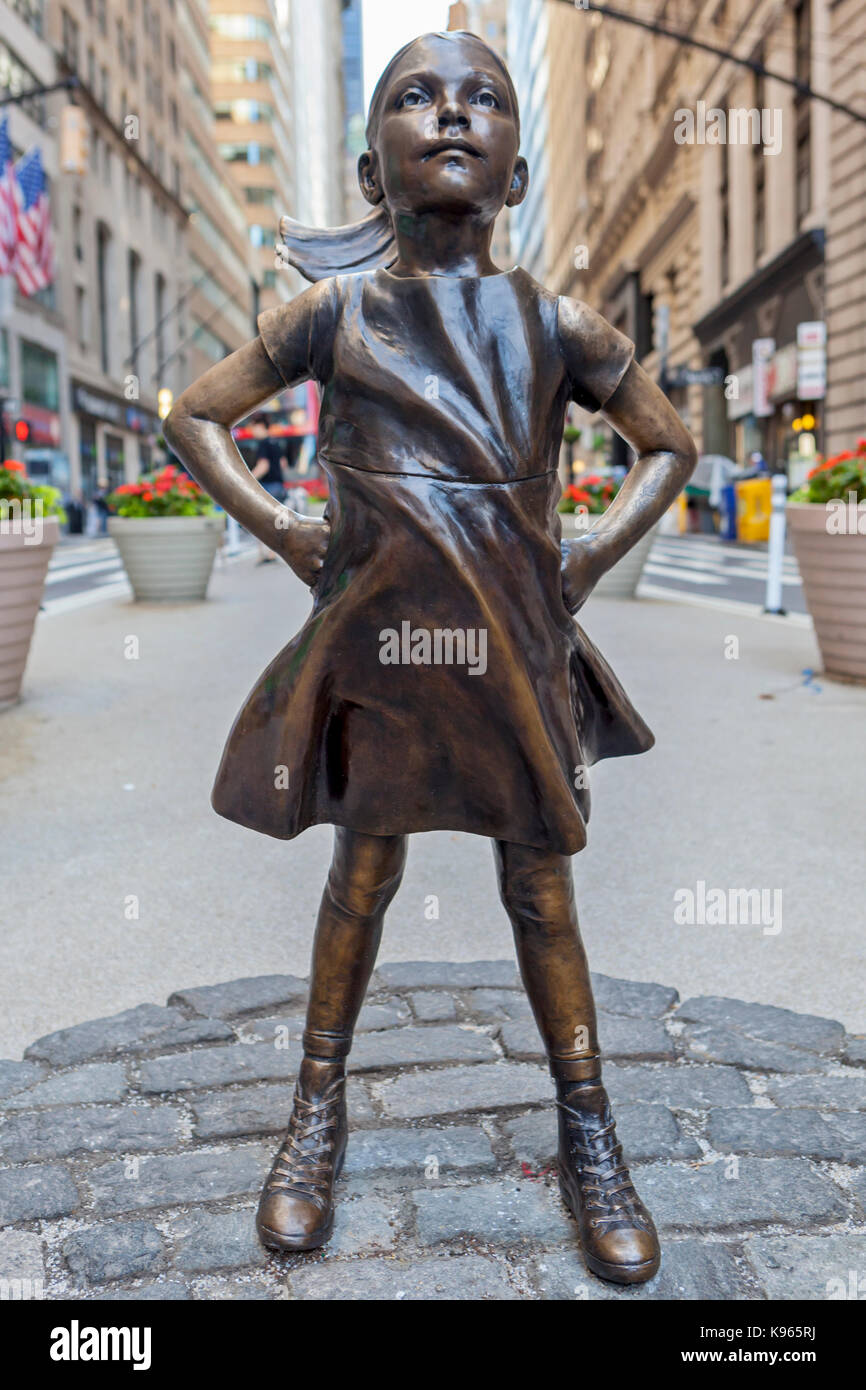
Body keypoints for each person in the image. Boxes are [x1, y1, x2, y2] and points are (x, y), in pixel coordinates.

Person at [165, 30, 697, 1286]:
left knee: (540, 884)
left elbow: (667, 444)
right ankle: (314, 1116)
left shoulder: (555, 323)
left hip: (511, 644)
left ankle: (587, 1130)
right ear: (371, 169)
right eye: (416, 98)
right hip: (378, 649)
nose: (450, 116)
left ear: (516, 174)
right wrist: (288, 531)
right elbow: (191, 415)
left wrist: (586, 560)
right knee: (360, 875)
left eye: (482, 101)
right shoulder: (332, 312)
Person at [249, 415, 288, 563]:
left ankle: (265, 554)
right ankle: (274, 552)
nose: (252, 431)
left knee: (261, 520)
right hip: (278, 485)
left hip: (268, 486)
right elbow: (283, 463)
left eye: (253, 427)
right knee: (276, 521)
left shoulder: (263, 444)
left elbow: (263, 466)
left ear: (260, 426)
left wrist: (248, 479)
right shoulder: (275, 442)